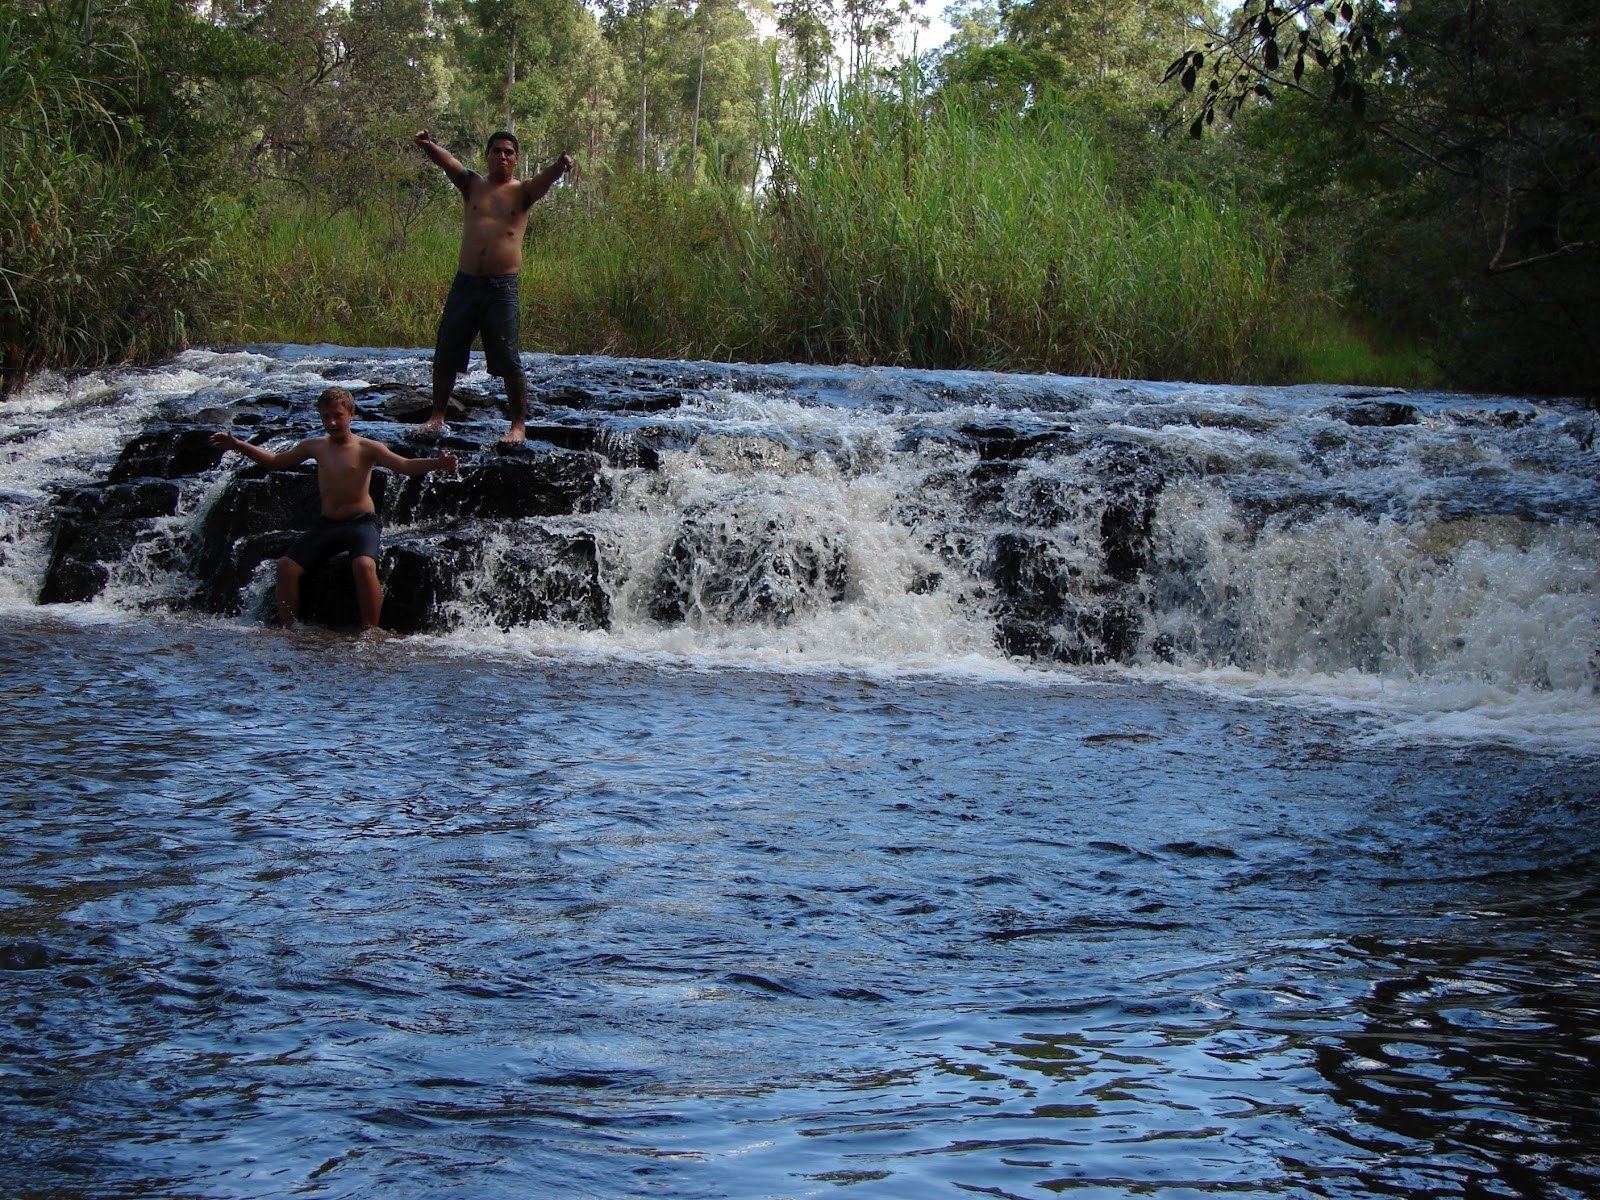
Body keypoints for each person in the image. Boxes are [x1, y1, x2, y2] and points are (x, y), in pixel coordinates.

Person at [210, 387, 459, 631]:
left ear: (351, 414)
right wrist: (238, 445)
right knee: (286, 566)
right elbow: (275, 461)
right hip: (327, 525)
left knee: (364, 566)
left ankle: (371, 631)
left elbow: (404, 465)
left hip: (361, 523)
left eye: (338, 416)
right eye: (326, 417)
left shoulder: (367, 447)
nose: (332, 422)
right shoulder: (314, 446)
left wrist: (438, 463)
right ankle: (290, 628)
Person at [414, 128, 574, 443]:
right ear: (487, 155)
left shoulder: (523, 192)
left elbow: (544, 180)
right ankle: (437, 417)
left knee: (508, 358)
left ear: (516, 159)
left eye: (508, 152)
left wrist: (560, 166)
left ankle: (518, 426)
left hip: (502, 288)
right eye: (497, 150)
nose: (502, 156)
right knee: (446, 352)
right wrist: (427, 145)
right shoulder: (473, 185)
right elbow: (449, 163)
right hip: (465, 283)